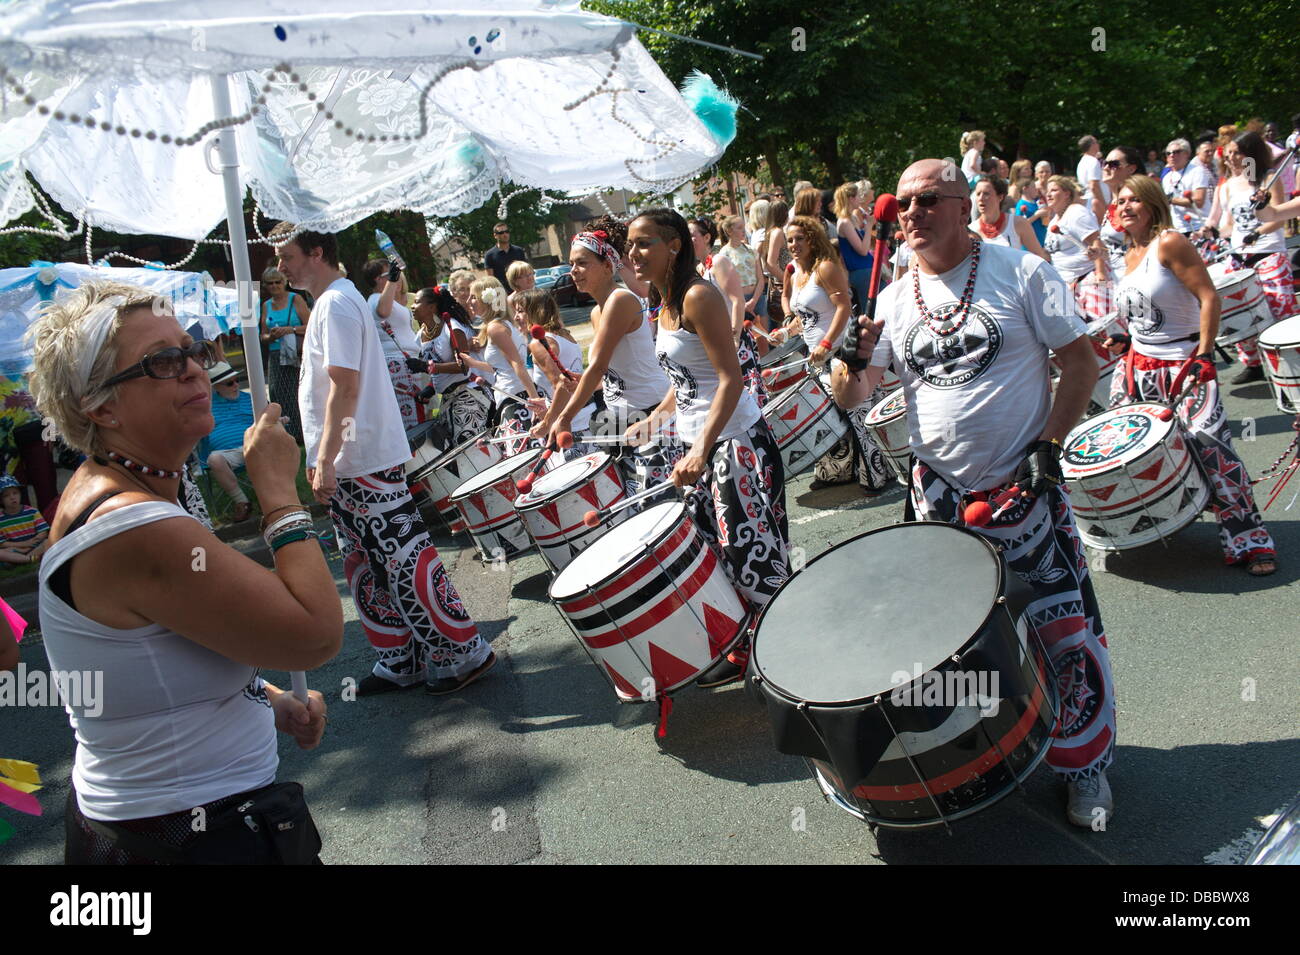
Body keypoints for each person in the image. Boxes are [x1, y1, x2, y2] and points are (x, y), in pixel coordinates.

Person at [831, 158, 1116, 828]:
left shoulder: (1025, 273)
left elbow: (1080, 361)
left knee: (1061, 633)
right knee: (957, 646)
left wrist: (1048, 445)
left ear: (964, 206)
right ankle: (993, 757)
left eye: (929, 199)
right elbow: (853, 395)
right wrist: (847, 356)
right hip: (938, 501)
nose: (913, 214)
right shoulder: (892, 299)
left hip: (1022, 489)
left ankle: (1087, 768)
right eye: (903, 204)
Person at [28, 279, 338, 863]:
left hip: (162, 822)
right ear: (101, 405)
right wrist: (278, 494)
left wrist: (267, 698)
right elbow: (316, 635)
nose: (197, 370)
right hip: (189, 838)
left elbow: (151, 663)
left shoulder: (123, 488)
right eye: (164, 362)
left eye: (192, 351)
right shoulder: (132, 526)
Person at [272, 223, 495, 695]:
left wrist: (327, 457)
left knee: (402, 557)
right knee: (366, 562)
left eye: (286, 255)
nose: (279, 266)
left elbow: (344, 385)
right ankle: (401, 658)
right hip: (356, 457)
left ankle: (462, 652)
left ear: (316, 251)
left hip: (361, 457)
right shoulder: (337, 299)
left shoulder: (334, 302)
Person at [628, 207, 790, 688]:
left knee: (753, 559)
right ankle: (744, 649)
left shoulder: (699, 296)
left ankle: (782, 654)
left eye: (644, 243)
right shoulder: (664, 303)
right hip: (699, 448)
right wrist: (655, 420)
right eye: (630, 245)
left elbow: (731, 380)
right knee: (713, 555)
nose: (633, 254)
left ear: (674, 245)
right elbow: (686, 380)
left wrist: (701, 449)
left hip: (735, 447)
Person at [1103, 177, 1276, 575]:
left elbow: (1209, 297)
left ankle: (1250, 541)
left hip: (1184, 365)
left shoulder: (1170, 242)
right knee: (1132, 449)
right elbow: (1147, 313)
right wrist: (1125, 338)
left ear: (1151, 204)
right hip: (1138, 368)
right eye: (1121, 200)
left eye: (1134, 200)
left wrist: (1204, 353)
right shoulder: (1128, 253)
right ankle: (1162, 522)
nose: (1126, 206)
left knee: (1211, 447)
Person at [540, 228, 679, 495]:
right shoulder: (596, 312)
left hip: (651, 413)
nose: (574, 270)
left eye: (582, 263)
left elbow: (598, 365)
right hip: (618, 419)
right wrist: (590, 384)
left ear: (606, 266)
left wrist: (565, 416)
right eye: (571, 264)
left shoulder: (621, 300)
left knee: (663, 505)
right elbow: (610, 372)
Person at [778, 215, 892, 493]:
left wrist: (827, 344)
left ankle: (877, 473)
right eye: (790, 240)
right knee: (832, 416)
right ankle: (837, 472)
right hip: (817, 357)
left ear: (812, 239)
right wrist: (788, 329)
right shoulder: (796, 273)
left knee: (857, 413)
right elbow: (804, 316)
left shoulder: (825, 268)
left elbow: (843, 307)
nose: (793, 245)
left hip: (841, 351)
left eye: (799, 239)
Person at [1202, 130, 1299, 382]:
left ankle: (1292, 360)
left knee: (1281, 308)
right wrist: (1211, 232)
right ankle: (1253, 364)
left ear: (1251, 154)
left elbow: (1277, 218)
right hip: (1239, 256)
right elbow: (1229, 224)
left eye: (1238, 152)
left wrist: (1257, 232)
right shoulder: (1229, 186)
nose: (1231, 158)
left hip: (1268, 252)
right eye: (1229, 153)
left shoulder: (1268, 178)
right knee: (1240, 312)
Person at [690, 216, 768, 410]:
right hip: (721, 343)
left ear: (707, 237)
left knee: (751, 400)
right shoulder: (701, 268)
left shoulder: (719, 261)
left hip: (736, 340)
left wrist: (734, 337)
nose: (686, 240)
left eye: (691, 235)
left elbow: (737, 300)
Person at [460, 279, 542, 449]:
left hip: (514, 396)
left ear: (487, 300)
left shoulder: (495, 328)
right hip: (513, 392)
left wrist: (534, 400)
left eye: (473, 297)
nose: (469, 302)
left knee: (522, 451)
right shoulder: (505, 324)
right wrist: (473, 363)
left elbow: (517, 364)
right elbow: (502, 367)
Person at [519, 289, 595, 457]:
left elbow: (562, 386)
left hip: (570, 425)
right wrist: (546, 402)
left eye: (520, 311)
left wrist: (546, 424)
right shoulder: (564, 334)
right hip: (586, 414)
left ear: (534, 311)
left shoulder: (539, 343)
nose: (516, 317)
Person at [413, 285, 491, 446]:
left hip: (467, 396)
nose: (412, 307)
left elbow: (463, 366)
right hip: (448, 400)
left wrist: (426, 366)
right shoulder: (422, 334)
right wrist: (430, 388)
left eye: (416, 302)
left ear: (432, 307)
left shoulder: (451, 327)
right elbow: (439, 367)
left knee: (470, 450)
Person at [362, 258, 425, 431]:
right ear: (378, 279)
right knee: (412, 418)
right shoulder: (375, 299)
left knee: (421, 413)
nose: (396, 277)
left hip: (408, 362)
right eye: (388, 274)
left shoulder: (387, 300)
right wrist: (392, 280)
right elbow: (382, 311)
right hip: (398, 364)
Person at [1042, 175, 1108, 321]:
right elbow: (1048, 254)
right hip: (1066, 286)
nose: (1048, 194)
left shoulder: (1076, 212)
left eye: (1054, 190)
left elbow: (1096, 242)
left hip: (1088, 282)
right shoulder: (1055, 219)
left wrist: (1101, 273)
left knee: (1100, 330)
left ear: (1067, 194)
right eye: (1047, 191)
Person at [259, 267, 309, 444]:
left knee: (300, 392)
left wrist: (291, 330)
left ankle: (306, 432)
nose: (274, 286)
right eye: (270, 283)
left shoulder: (295, 299)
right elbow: (262, 336)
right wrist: (271, 336)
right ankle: (289, 434)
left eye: (277, 282)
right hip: (276, 354)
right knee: (278, 394)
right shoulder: (265, 305)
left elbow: (311, 326)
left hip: (297, 354)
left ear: (284, 282)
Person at [203, 361, 255, 522]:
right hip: (225, 454)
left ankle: (274, 497)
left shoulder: (250, 399)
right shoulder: (207, 406)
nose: (236, 385)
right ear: (216, 387)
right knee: (214, 459)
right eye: (229, 383)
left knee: (261, 449)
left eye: (237, 380)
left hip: (253, 446)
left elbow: (266, 419)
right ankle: (242, 502)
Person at [972, 175, 1049, 259]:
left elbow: (1038, 257)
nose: (981, 198)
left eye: (986, 194)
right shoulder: (971, 230)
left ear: (1000, 197)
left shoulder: (1018, 223)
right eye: (978, 194)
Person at [716, 214, 767, 325]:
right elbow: (724, 285)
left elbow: (760, 278)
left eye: (744, 227)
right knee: (746, 336)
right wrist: (740, 302)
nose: (743, 230)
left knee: (765, 337)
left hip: (757, 297)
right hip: (739, 301)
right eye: (739, 228)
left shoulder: (751, 250)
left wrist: (754, 300)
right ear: (729, 231)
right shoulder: (724, 254)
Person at [834, 181, 876, 313]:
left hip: (866, 270)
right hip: (861, 272)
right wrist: (869, 226)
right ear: (851, 198)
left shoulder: (851, 219)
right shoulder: (845, 222)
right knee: (870, 311)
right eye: (858, 196)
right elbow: (863, 250)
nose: (860, 199)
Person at [1161, 139, 1212, 235]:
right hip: (1178, 229)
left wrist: (1170, 199)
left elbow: (1198, 201)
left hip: (1199, 227)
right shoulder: (1166, 178)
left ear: (1187, 154)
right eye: (1168, 153)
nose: (1172, 155)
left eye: (1177, 152)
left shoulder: (1197, 171)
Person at [0, 475, 49, 565]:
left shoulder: (32, 511)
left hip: (34, 546)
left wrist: (33, 542)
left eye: (15, 493)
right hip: (15, 548)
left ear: (20, 494)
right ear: (1, 500)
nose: (12, 497)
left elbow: (43, 532)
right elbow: (2, 543)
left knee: (48, 542)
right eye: (6, 495)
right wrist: (24, 544)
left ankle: (20, 560)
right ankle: (28, 559)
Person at [484, 222, 528, 289]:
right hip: (502, 292)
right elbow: (491, 280)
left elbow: (525, 272)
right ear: (495, 235)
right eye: (501, 233)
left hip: (520, 290)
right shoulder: (489, 255)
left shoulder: (519, 251)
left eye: (507, 231)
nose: (505, 234)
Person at [1077, 134, 1107, 223]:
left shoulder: (1082, 161)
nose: (1098, 144)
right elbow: (1094, 185)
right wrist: (1104, 205)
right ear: (1092, 145)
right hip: (1095, 203)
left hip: (1088, 201)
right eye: (1096, 142)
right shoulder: (1093, 161)